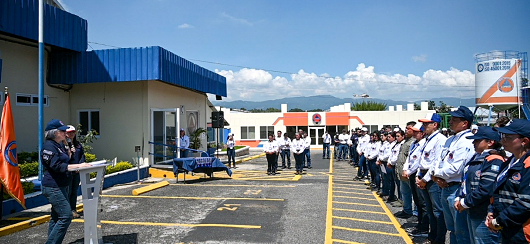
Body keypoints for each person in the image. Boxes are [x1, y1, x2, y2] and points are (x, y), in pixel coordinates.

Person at [41, 119, 90, 244]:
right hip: (53, 186)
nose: (65, 133)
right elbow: (57, 166)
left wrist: (68, 152)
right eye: (62, 131)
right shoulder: (49, 146)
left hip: (62, 184)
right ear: (54, 133)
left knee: (56, 217)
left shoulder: (59, 145)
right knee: (66, 216)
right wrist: (78, 166)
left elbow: (66, 160)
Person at [453, 126, 504, 243]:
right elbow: (466, 181)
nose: (473, 142)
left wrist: (464, 202)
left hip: (483, 212)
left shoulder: (494, 159)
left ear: (490, 142)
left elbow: (486, 189)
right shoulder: (478, 156)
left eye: (478, 140)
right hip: (473, 209)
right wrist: (460, 197)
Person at [432, 106, 475, 244]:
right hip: (445, 187)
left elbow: (455, 169)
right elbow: (439, 160)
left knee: (461, 230)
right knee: (451, 228)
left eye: (454, 120)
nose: (450, 122)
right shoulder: (450, 140)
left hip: (456, 189)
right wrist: (436, 175)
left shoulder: (468, 141)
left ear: (465, 123)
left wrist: (436, 174)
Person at [486, 119, 530, 243]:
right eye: (503, 136)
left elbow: (526, 203)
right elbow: (497, 191)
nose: (503, 140)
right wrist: (491, 212)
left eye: (508, 137)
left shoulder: (528, 164)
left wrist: (499, 221)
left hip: (522, 232)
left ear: (524, 141)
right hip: (507, 228)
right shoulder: (509, 162)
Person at [416, 113, 447, 244]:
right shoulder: (428, 139)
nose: (424, 126)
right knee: (430, 210)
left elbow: (436, 162)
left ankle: (439, 239)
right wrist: (419, 175)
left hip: (432, 178)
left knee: (437, 211)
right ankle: (432, 235)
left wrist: (425, 179)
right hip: (424, 175)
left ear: (435, 125)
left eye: (426, 124)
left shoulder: (440, 139)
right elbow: (422, 159)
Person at [403, 122, 430, 236]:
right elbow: (409, 159)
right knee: (417, 201)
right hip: (412, 174)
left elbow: (418, 162)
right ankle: (419, 224)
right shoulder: (414, 143)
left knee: (422, 202)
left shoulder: (423, 144)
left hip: (418, 174)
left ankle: (424, 227)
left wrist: (408, 171)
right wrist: (405, 169)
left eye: (416, 132)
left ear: (422, 133)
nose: (413, 133)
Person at [65, 125, 85, 219]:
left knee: (74, 191)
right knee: (68, 191)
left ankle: (73, 209)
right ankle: (67, 211)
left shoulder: (78, 145)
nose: (71, 134)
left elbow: (82, 156)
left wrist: (79, 166)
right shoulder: (63, 145)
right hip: (68, 172)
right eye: (69, 133)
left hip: (76, 172)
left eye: (73, 132)